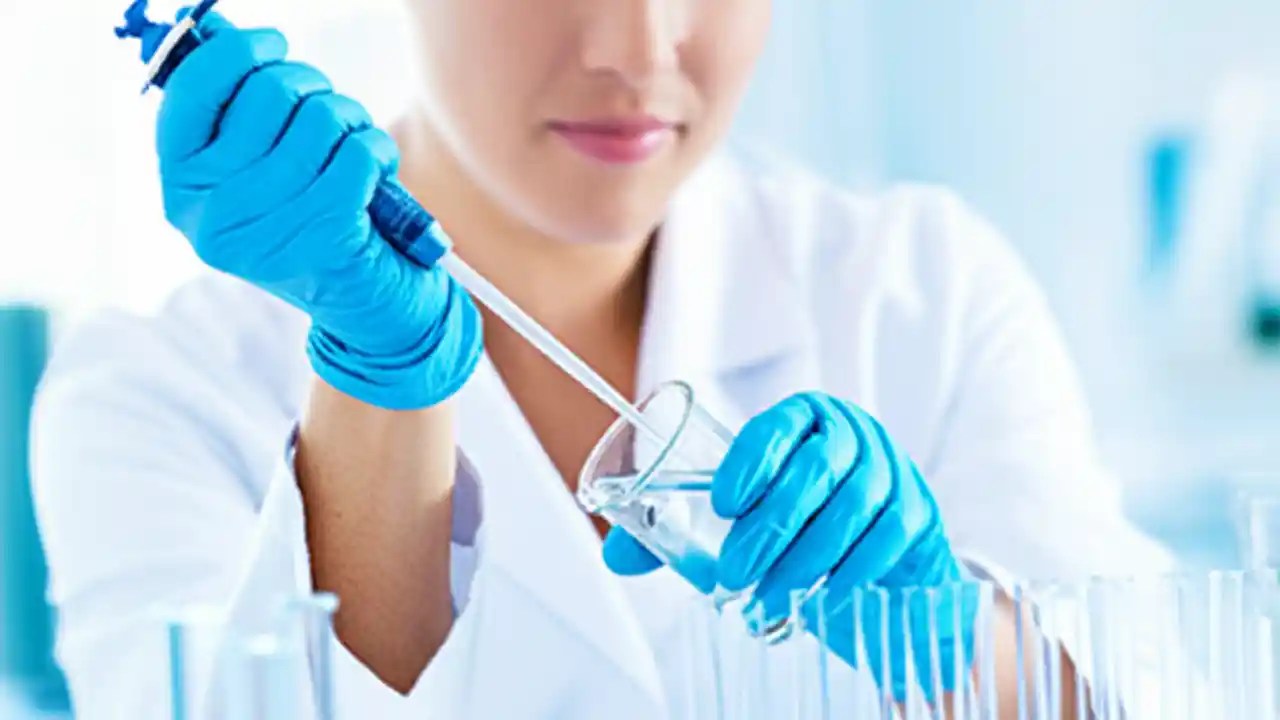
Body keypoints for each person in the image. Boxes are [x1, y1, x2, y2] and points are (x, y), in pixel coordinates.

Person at [30, 2, 1174, 718]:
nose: (638, 45)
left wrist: (953, 645)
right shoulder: (156, 390)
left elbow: (1158, 694)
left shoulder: (922, 291)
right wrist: (373, 385)